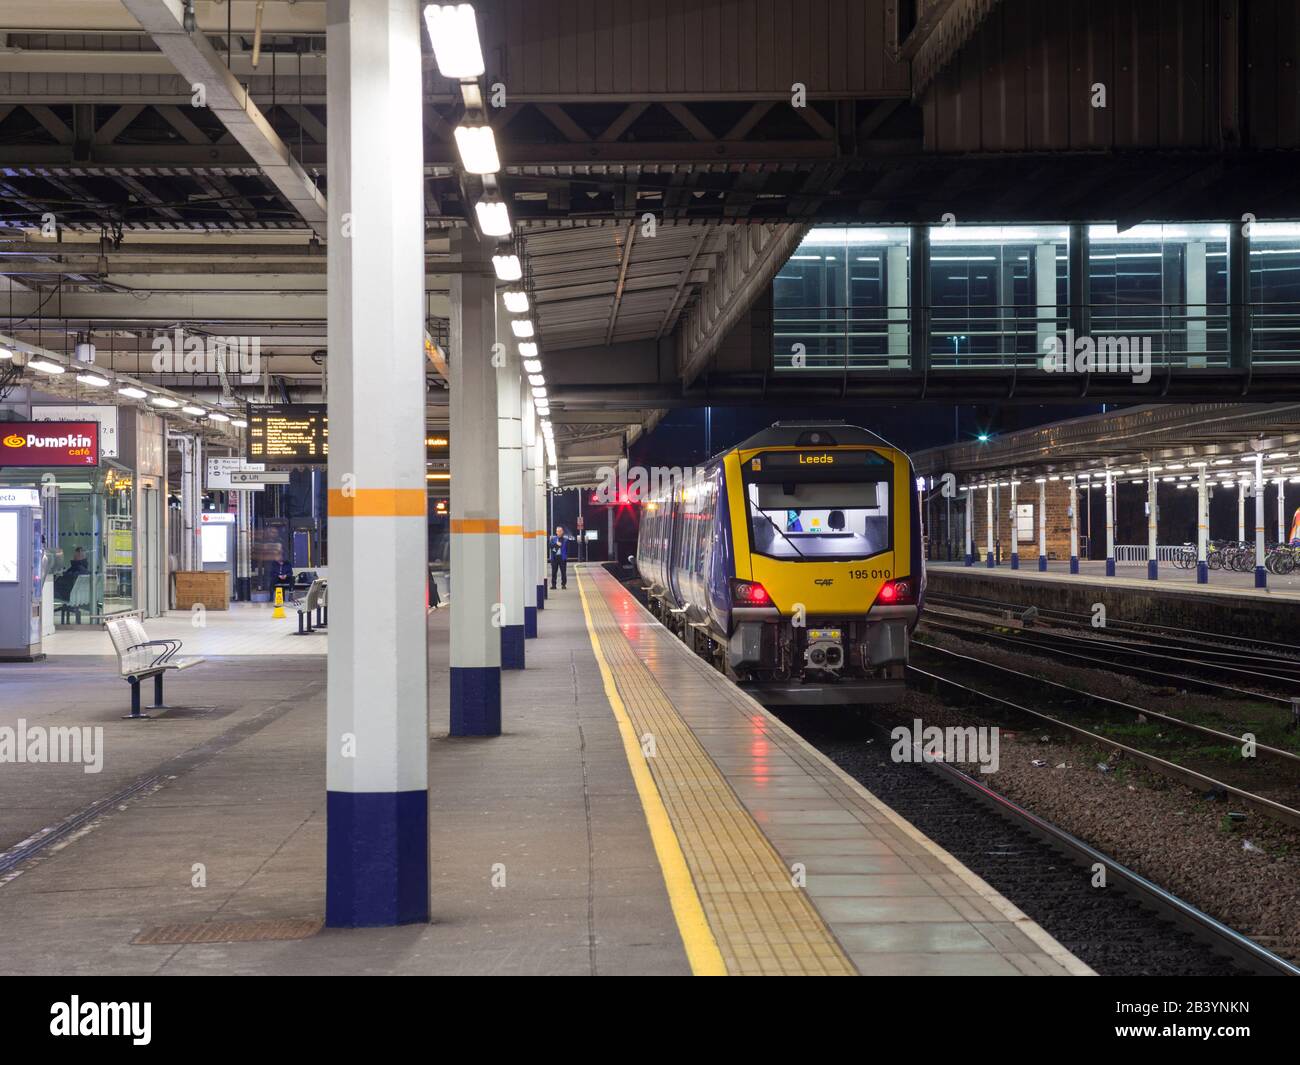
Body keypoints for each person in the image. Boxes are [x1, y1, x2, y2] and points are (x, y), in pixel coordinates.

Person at [548, 525, 569, 590]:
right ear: (556, 532)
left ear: (562, 532)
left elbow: (568, 548)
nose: (559, 532)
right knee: (554, 572)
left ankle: (563, 585)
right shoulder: (553, 539)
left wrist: (566, 556)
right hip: (554, 558)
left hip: (562, 558)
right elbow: (550, 546)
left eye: (560, 531)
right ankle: (553, 585)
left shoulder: (565, 540)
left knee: (563, 572)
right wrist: (556, 544)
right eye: (558, 531)